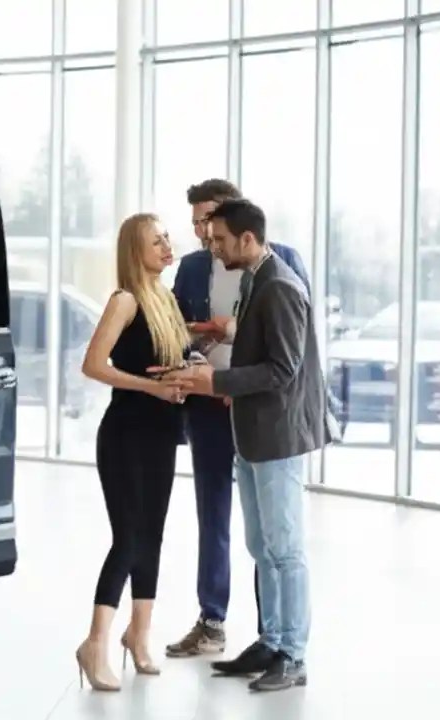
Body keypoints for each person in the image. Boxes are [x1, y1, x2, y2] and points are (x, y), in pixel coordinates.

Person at [158, 198, 329, 692]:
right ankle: (272, 641)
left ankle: (292, 655)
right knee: (261, 544)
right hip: (253, 433)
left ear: (247, 239)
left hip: (277, 435)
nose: (213, 247)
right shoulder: (256, 279)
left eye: (221, 240)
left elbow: (283, 369)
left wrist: (215, 381)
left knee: (285, 548)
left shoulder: (279, 286)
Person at [74, 213, 190, 692]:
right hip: (125, 433)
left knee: (153, 536)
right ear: (133, 252)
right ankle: (94, 643)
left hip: (162, 432)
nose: (167, 245)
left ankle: (138, 633)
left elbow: (167, 359)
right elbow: (93, 365)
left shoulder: (166, 299)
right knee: (128, 538)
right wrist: (151, 388)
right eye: (156, 241)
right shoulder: (124, 300)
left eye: (167, 237)